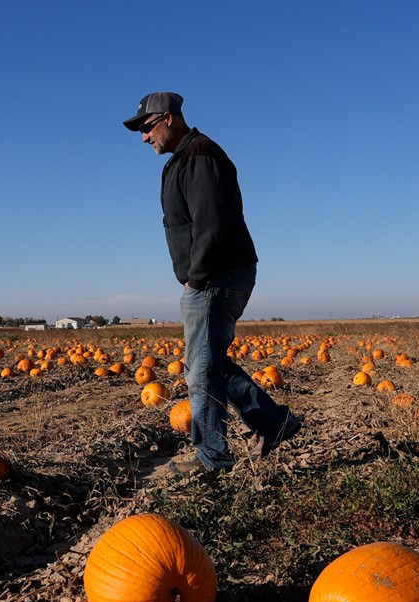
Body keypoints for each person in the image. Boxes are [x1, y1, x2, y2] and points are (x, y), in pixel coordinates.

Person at [122, 91, 303, 475]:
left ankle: (212, 460)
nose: (143, 136)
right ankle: (275, 422)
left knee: (201, 369)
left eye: (147, 127)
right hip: (217, 274)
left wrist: (196, 276)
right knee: (210, 361)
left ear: (169, 118)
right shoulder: (185, 157)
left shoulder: (200, 155)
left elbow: (212, 222)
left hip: (216, 276)